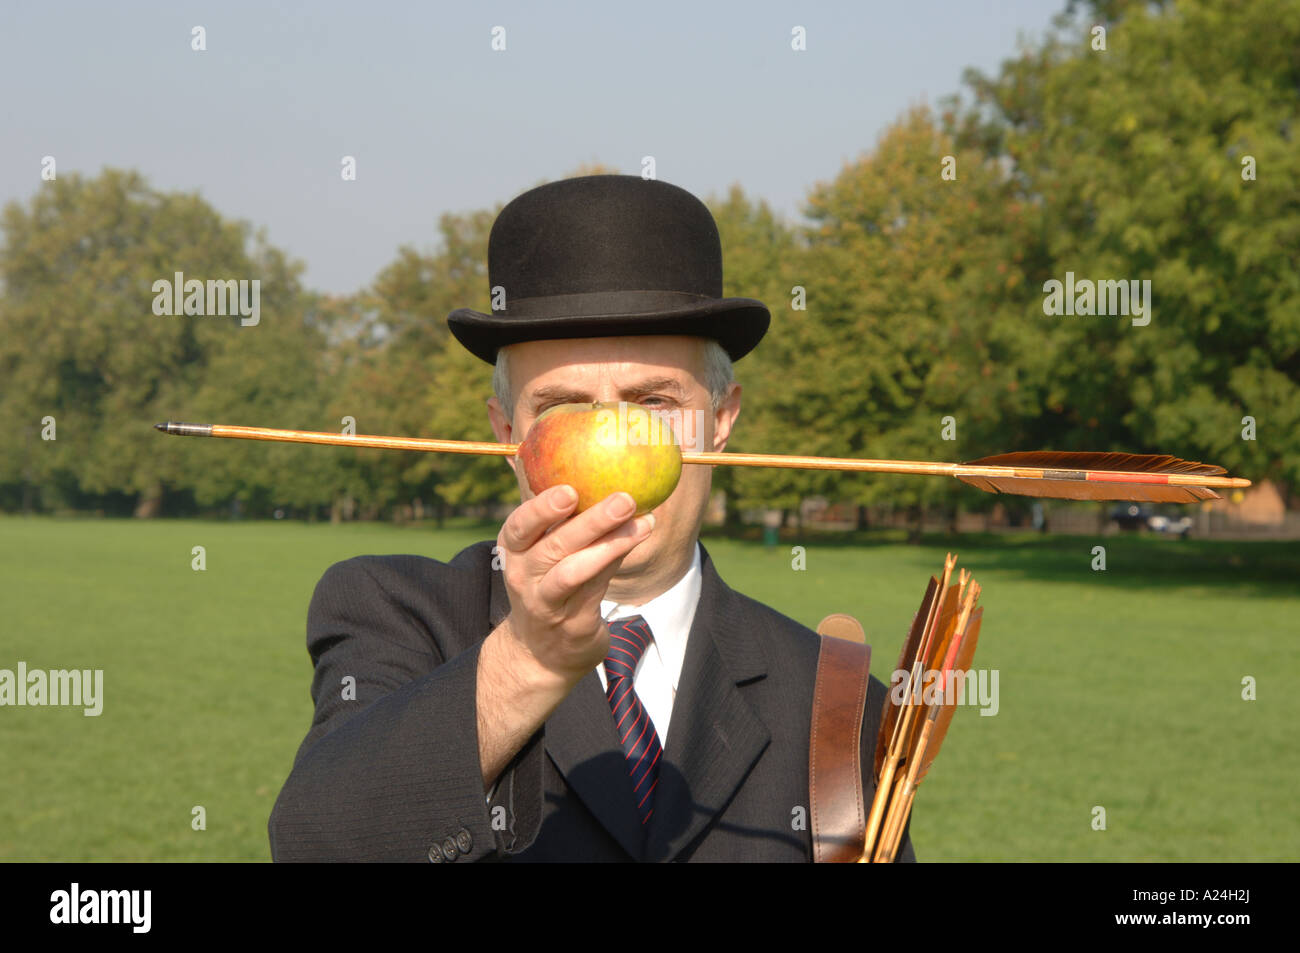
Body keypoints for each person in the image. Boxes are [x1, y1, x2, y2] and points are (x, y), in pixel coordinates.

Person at [268, 174, 914, 862]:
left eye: (651, 402)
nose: (611, 448)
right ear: (504, 431)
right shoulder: (396, 614)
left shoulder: (835, 699)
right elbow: (318, 844)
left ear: (721, 420)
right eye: (565, 409)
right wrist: (526, 662)